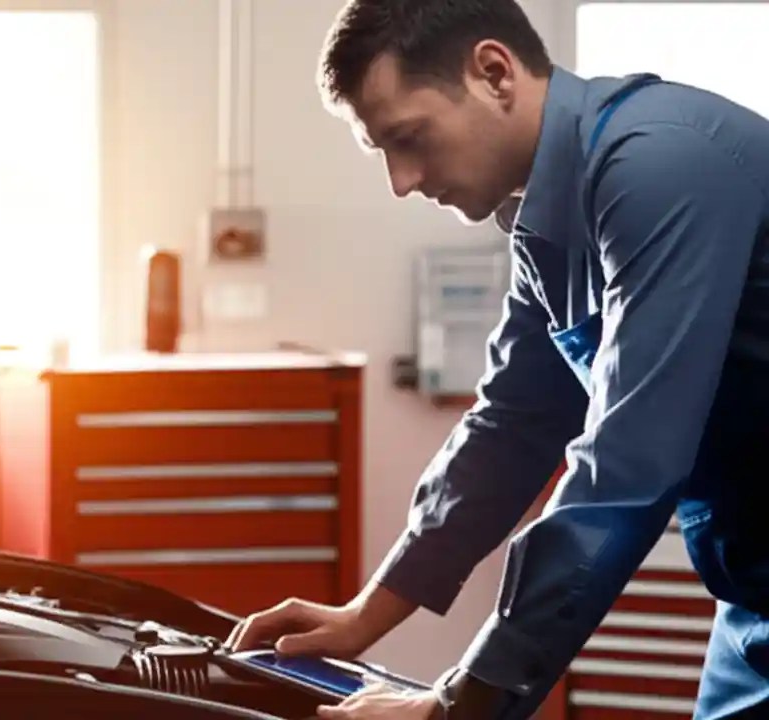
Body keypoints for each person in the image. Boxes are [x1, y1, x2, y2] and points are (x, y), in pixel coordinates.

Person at [225, 2, 769, 719]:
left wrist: (461, 704)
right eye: (381, 151)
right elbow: (512, 424)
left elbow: (626, 465)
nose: (401, 180)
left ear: (493, 72)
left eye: (408, 138)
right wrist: (366, 614)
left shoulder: (660, 164)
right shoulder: (547, 225)